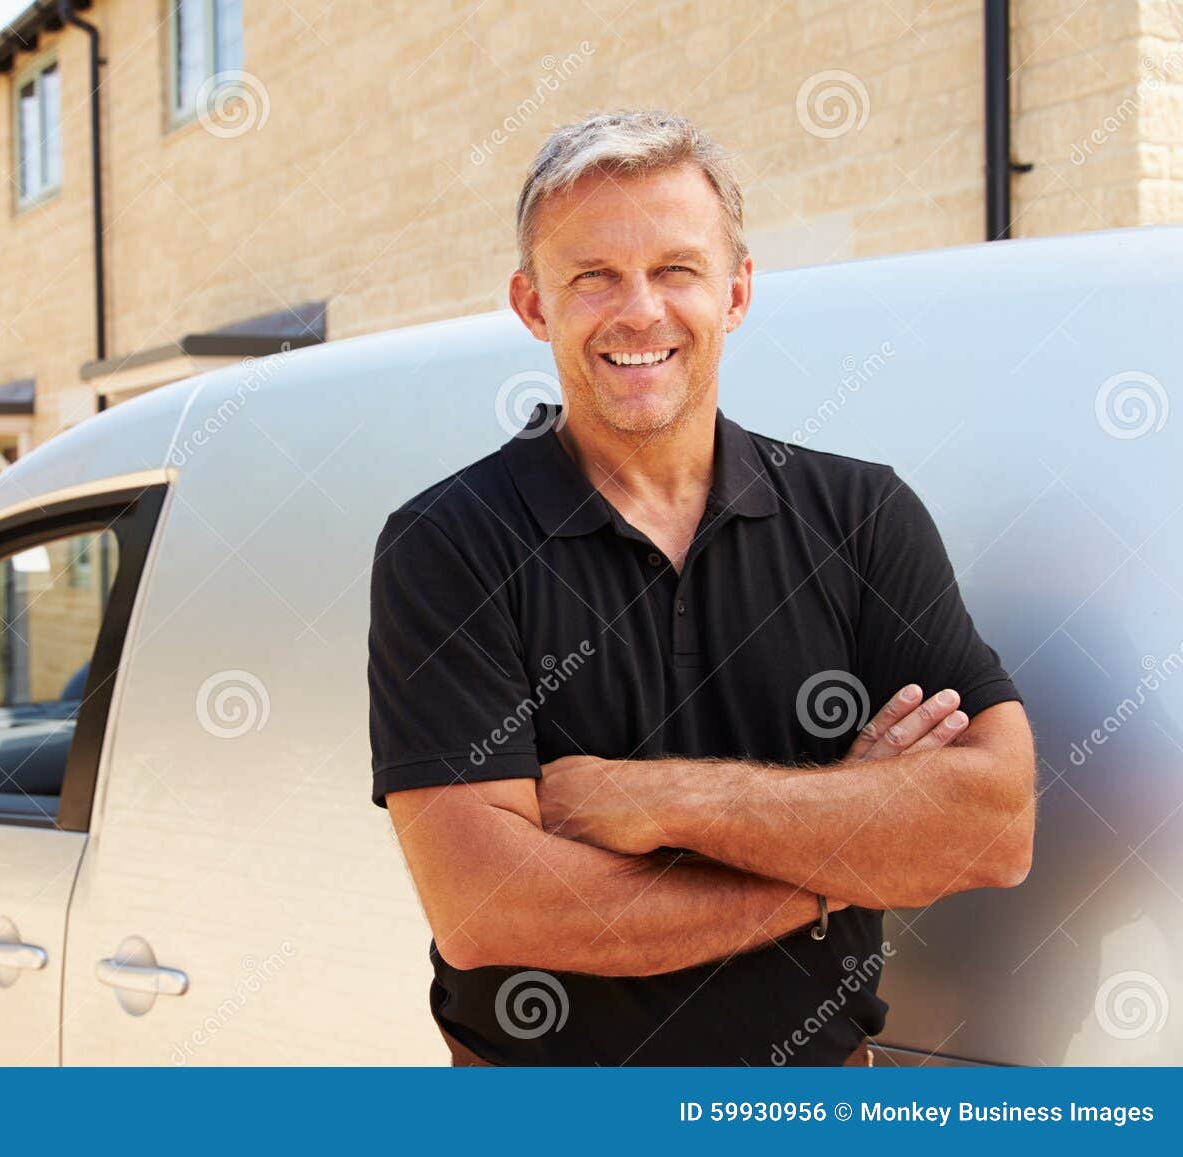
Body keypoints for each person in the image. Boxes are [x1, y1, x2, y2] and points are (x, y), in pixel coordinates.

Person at [366, 110, 1036, 1066]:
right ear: (532, 305)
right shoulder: (450, 543)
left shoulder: (860, 514)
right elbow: (488, 908)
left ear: (736, 291)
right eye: (592, 276)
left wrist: (660, 799)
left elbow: (993, 826)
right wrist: (845, 857)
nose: (639, 310)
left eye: (677, 269)